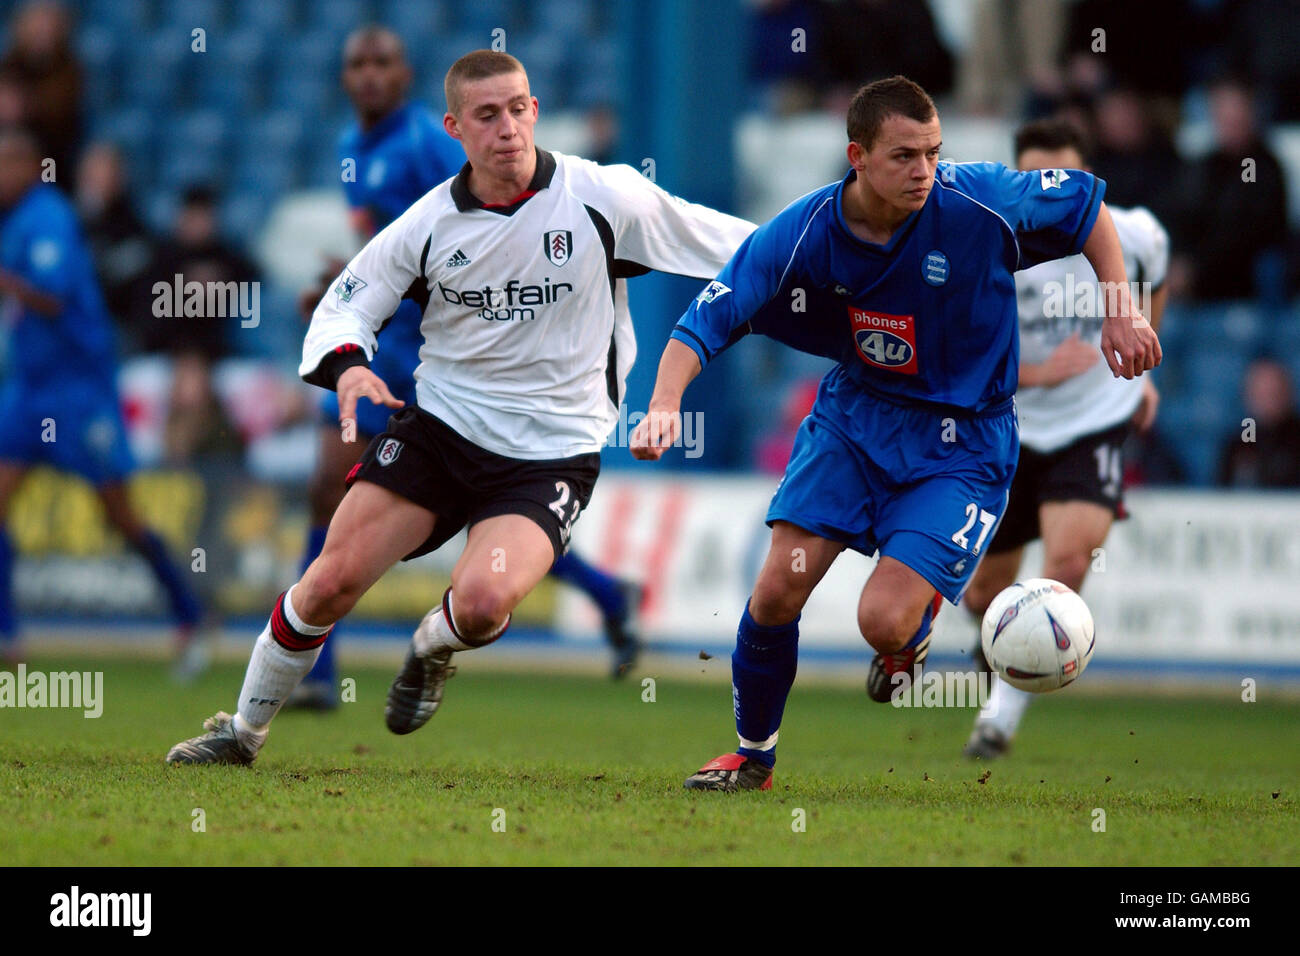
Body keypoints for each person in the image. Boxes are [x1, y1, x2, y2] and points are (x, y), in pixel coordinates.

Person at [164, 50, 756, 765]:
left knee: (479, 606)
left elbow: (745, 249)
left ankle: (431, 647)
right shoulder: (428, 225)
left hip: (550, 453)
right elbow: (346, 305)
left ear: (534, 111)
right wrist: (349, 370)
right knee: (326, 583)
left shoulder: (606, 198)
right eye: (487, 115)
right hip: (441, 432)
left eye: (518, 108)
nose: (507, 127)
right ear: (455, 127)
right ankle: (241, 734)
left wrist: (842, 265)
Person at [629, 75, 1160, 792]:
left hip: (964, 447)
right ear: (858, 156)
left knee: (880, 621)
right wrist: (665, 403)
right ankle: (753, 757)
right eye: (905, 156)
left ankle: (906, 642)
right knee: (777, 592)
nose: (924, 172)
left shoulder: (978, 200)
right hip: (856, 422)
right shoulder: (807, 229)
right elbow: (709, 317)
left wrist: (1119, 309)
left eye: (933, 153)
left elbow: (1087, 206)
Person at [961, 118, 1169, 760]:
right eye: (1034, 177)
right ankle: (995, 635)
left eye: (1064, 177)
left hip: (1093, 423)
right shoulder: (985, 239)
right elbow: (961, 353)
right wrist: (1038, 372)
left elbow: (1154, 282)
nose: (1050, 193)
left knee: (1068, 562)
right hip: (1012, 424)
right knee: (981, 595)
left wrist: (1143, 366)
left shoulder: (1135, 233)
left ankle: (998, 720)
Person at [0, 127, 203, 667]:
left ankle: (189, 611)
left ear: (28, 166)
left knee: (120, 516)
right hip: (31, 387)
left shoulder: (49, 218)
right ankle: (7, 635)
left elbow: (52, 296)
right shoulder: (18, 221)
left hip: (78, 389)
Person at [1216, 356, 1300, 488]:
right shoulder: (1239, 444)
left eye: (1274, 392)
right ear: (1247, 396)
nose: (1267, 399)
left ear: (1288, 392)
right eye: (1261, 392)